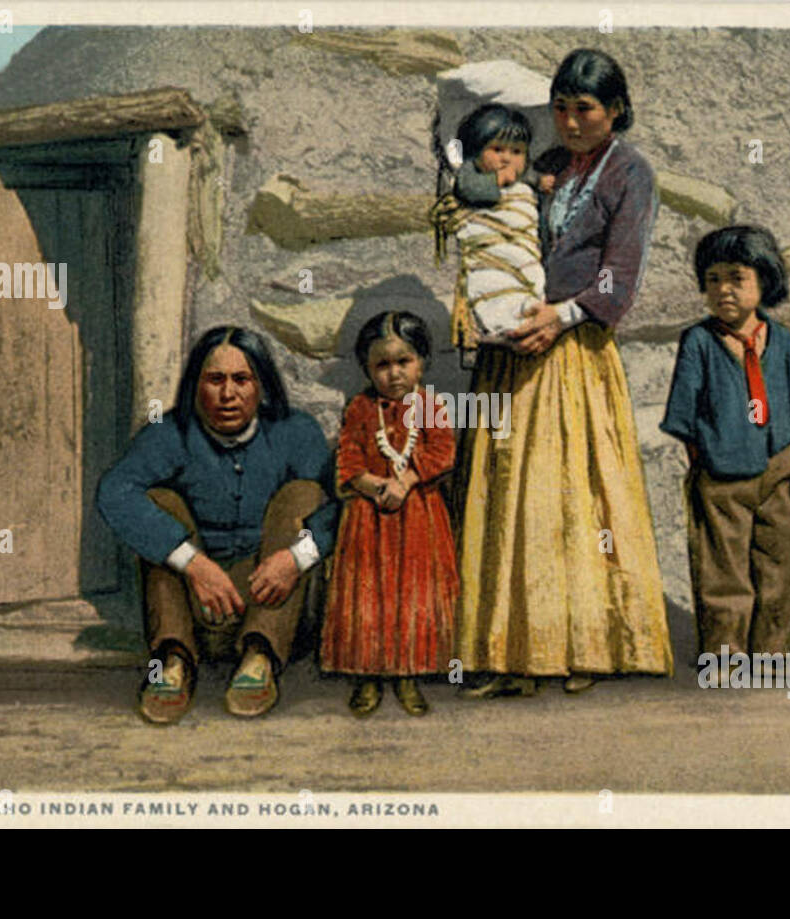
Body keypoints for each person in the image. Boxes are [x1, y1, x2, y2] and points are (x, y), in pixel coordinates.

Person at [453, 48, 674, 698]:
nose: (571, 122)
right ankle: (508, 647)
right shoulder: (539, 166)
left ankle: (581, 642)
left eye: (585, 110)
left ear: (616, 111)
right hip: (511, 345)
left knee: (570, 499)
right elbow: (480, 219)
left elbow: (621, 271)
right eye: (561, 109)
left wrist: (563, 315)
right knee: (503, 492)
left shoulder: (630, 174)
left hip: (574, 350)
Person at [96, 326, 336, 723]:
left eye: (242, 379)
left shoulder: (296, 432)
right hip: (196, 605)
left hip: (269, 598)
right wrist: (192, 562)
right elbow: (114, 491)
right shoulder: (169, 434)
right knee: (159, 502)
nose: (228, 395)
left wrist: (295, 558)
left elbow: (345, 506)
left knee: (302, 494)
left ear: (261, 385)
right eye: (215, 380)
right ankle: (173, 661)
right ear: (196, 385)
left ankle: (259, 658)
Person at [659, 226, 790, 675]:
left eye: (737, 278)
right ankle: (726, 654)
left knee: (784, 560)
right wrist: (705, 458)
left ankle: (771, 654)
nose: (724, 290)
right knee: (722, 566)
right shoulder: (698, 341)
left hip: (781, 467)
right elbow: (684, 408)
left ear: (765, 281)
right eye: (713, 279)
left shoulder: (782, 340)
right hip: (722, 472)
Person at [320, 312, 459, 717]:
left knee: (412, 595)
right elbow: (348, 458)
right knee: (370, 597)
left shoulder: (432, 406)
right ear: (367, 367)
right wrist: (375, 486)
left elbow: (441, 452)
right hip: (369, 520)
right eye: (382, 364)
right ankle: (367, 676)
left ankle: (408, 676)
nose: (394, 373)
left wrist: (407, 481)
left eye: (404, 362)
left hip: (418, 518)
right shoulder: (362, 409)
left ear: (422, 362)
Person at [431, 103, 546, 353]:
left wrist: (542, 182)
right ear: (475, 152)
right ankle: (503, 323)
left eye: (517, 152)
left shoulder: (524, 190)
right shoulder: (469, 179)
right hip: (491, 256)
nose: (507, 158)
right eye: (497, 149)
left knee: (531, 280)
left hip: (524, 256)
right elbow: (467, 187)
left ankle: (525, 313)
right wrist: (496, 181)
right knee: (493, 284)